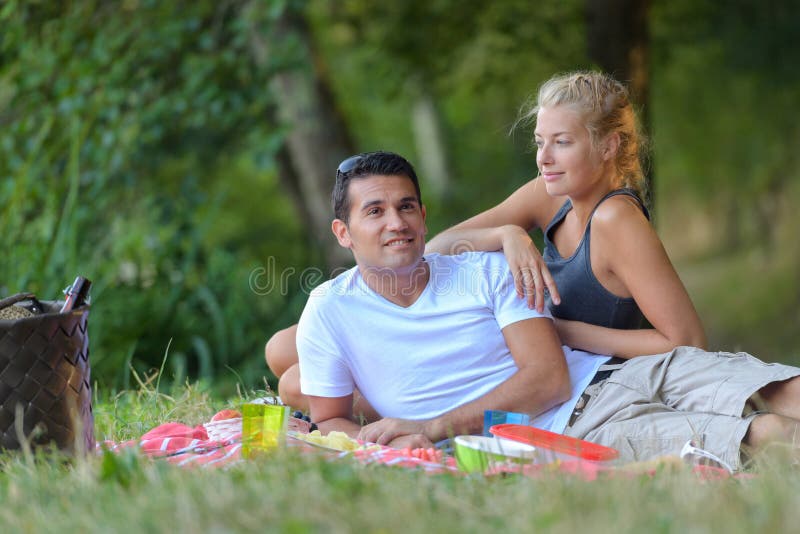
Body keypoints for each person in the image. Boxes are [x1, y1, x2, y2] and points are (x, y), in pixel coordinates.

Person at [294, 150, 800, 469]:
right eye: (374, 212)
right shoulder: (330, 310)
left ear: (424, 218)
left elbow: (548, 377)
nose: (395, 223)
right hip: (566, 430)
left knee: (782, 390)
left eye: (406, 207)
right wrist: (383, 445)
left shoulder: (484, 272)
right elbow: (330, 419)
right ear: (343, 233)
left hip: (618, 374)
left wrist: (429, 429)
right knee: (765, 435)